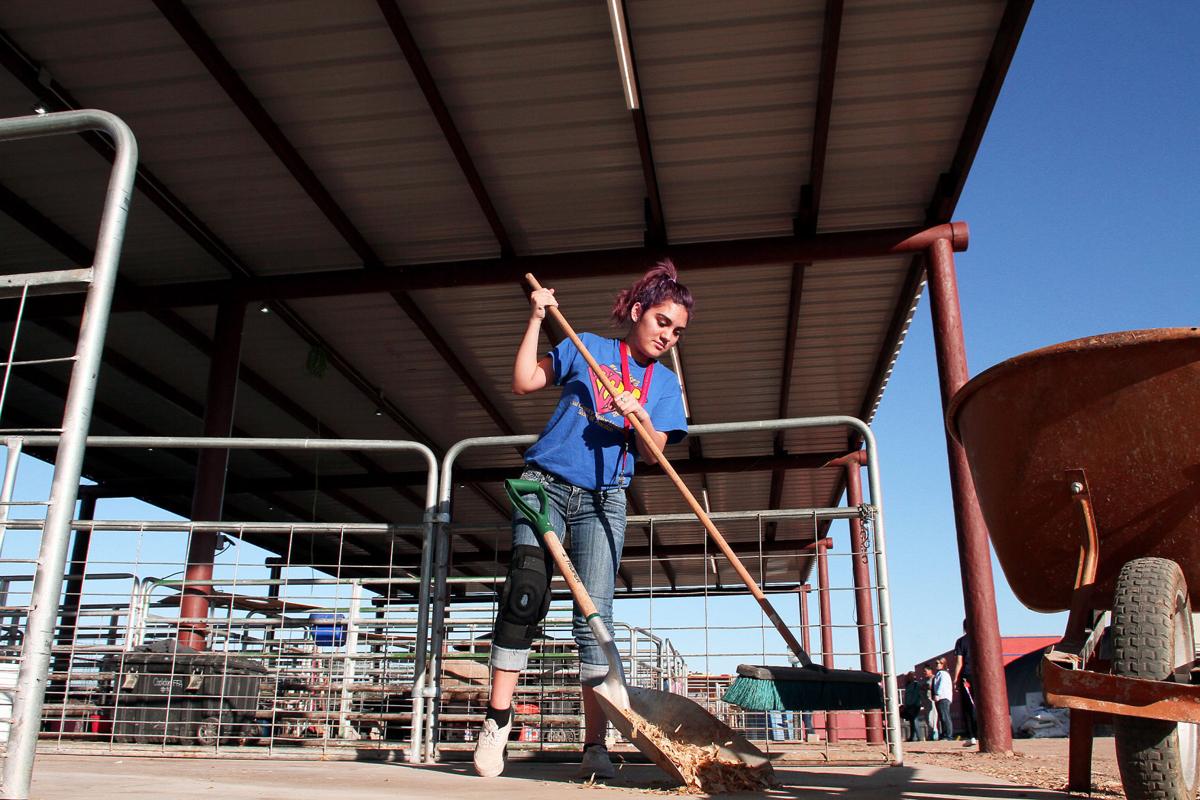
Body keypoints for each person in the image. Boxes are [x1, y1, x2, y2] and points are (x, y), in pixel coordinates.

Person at [473, 261, 692, 780]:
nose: (668, 336)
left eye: (677, 331)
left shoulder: (664, 384)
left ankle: (595, 745)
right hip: (544, 485)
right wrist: (536, 317)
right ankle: (497, 722)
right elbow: (523, 382)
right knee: (525, 592)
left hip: (604, 500)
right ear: (637, 312)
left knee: (595, 618)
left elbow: (654, 451)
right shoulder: (585, 346)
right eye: (662, 321)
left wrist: (637, 414)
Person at [953, 620, 979, 746]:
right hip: (980, 674)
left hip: (967, 676)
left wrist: (955, 678)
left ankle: (972, 735)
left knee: (968, 706)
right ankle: (981, 732)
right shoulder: (980, 638)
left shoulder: (961, 641)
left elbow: (959, 662)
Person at [932, 657, 954, 742]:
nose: (937, 665)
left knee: (945, 716)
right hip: (941, 698)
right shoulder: (939, 674)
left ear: (943, 664)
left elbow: (941, 685)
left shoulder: (943, 674)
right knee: (942, 717)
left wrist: (937, 694)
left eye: (939, 663)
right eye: (936, 663)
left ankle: (948, 735)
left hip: (943, 697)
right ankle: (944, 734)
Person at [901, 671, 923, 741]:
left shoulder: (916, 684)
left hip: (914, 705)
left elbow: (916, 695)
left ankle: (919, 737)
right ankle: (913, 737)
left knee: (914, 719)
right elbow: (907, 696)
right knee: (912, 721)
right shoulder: (908, 685)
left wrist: (912, 703)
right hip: (909, 705)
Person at [919, 663, 938, 741]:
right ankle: (930, 734)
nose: (924, 673)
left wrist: (926, 687)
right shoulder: (923, 680)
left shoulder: (934, 678)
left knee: (932, 718)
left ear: (930, 671)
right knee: (927, 719)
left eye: (925, 671)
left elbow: (933, 687)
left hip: (931, 701)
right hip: (925, 702)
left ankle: (935, 734)